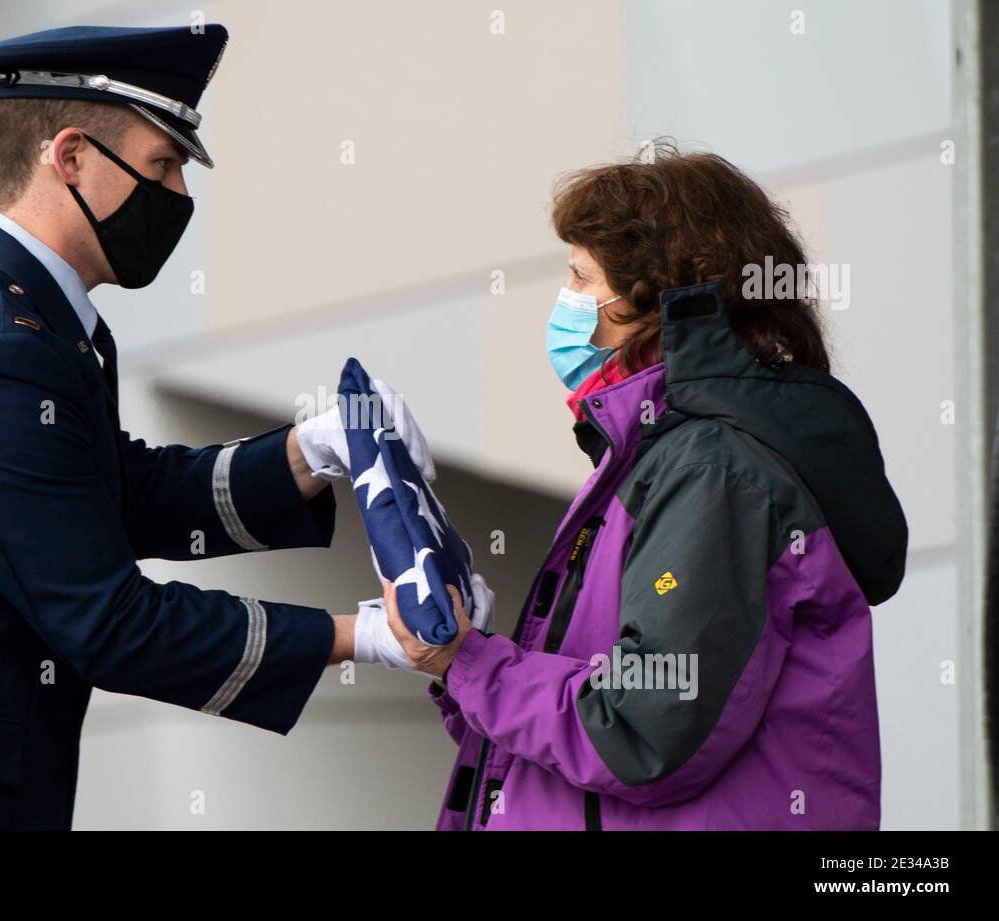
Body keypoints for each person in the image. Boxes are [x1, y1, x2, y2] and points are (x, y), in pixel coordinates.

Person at [0, 24, 428, 830]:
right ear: (70, 156)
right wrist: (362, 635)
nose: (180, 196)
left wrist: (308, 451)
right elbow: (110, 623)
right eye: (163, 163)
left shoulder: (15, 317)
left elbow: (120, 493)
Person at [386, 143, 909, 830]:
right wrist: (465, 665)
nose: (566, 303)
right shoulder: (663, 455)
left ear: (656, 303)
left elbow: (641, 726)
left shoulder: (714, 469)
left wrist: (471, 663)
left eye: (580, 278)